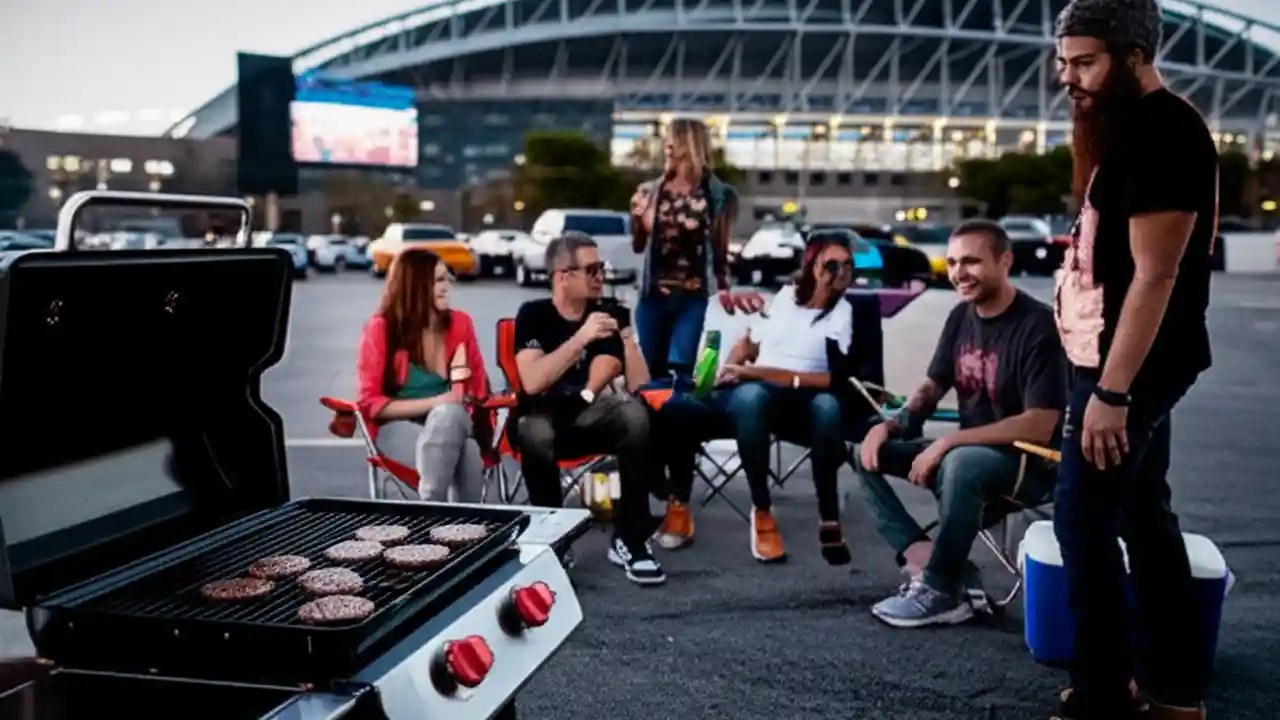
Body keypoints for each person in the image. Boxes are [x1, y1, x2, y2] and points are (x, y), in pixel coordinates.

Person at [1052, 1, 1219, 718]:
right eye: (1063, 62)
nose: (1068, 78)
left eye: (1084, 62)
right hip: (1108, 353)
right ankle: (1173, 689)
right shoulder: (1123, 130)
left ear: (1134, 54)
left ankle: (1101, 695)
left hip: (1130, 367)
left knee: (1081, 522)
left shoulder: (1166, 134)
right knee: (1143, 515)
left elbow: (1156, 276)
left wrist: (1112, 394)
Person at [855, 220, 1066, 628]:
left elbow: (1041, 424)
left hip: (1030, 464)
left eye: (971, 261)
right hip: (963, 462)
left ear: (1004, 261)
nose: (957, 273)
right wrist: (891, 427)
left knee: (962, 460)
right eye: (952, 262)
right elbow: (932, 387)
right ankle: (927, 560)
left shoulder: (1038, 326)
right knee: (865, 453)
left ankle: (941, 589)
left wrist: (949, 442)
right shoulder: (960, 317)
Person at [653, 232, 859, 564]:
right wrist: (728, 367)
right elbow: (752, 343)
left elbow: (829, 379)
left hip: (797, 399)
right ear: (811, 265)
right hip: (753, 391)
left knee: (789, 402)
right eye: (831, 264)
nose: (841, 272)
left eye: (848, 265)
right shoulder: (786, 296)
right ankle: (710, 506)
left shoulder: (845, 313)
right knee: (697, 404)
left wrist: (754, 373)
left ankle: (796, 514)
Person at [511, 231, 665, 586]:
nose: (601, 277)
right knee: (535, 429)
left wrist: (627, 340)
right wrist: (581, 337)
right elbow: (533, 381)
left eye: (603, 269)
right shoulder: (533, 315)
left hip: (586, 415)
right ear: (563, 276)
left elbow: (635, 382)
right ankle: (553, 537)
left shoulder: (608, 314)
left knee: (634, 415)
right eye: (592, 269)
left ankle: (630, 537)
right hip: (540, 417)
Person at [630, 118, 761, 389]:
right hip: (653, 295)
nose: (667, 145)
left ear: (690, 144)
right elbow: (639, 245)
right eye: (667, 139)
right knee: (652, 369)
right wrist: (637, 218)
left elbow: (720, 248)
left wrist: (724, 290)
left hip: (695, 296)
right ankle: (660, 424)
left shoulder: (719, 195)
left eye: (674, 139)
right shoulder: (651, 191)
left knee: (686, 366)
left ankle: (689, 419)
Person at [356, 248, 491, 502]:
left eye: (446, 278)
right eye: (438, 280)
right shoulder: (381, 329)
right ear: (415, 286)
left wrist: (459, 399)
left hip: (458, 423)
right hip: (400, 430)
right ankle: (466, 528)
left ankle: (431, 508)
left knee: (452, 419)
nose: (447, 286)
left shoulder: (460, 323)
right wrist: (440, 402)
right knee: (468, 449)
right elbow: (370, 404)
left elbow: (478, 390)